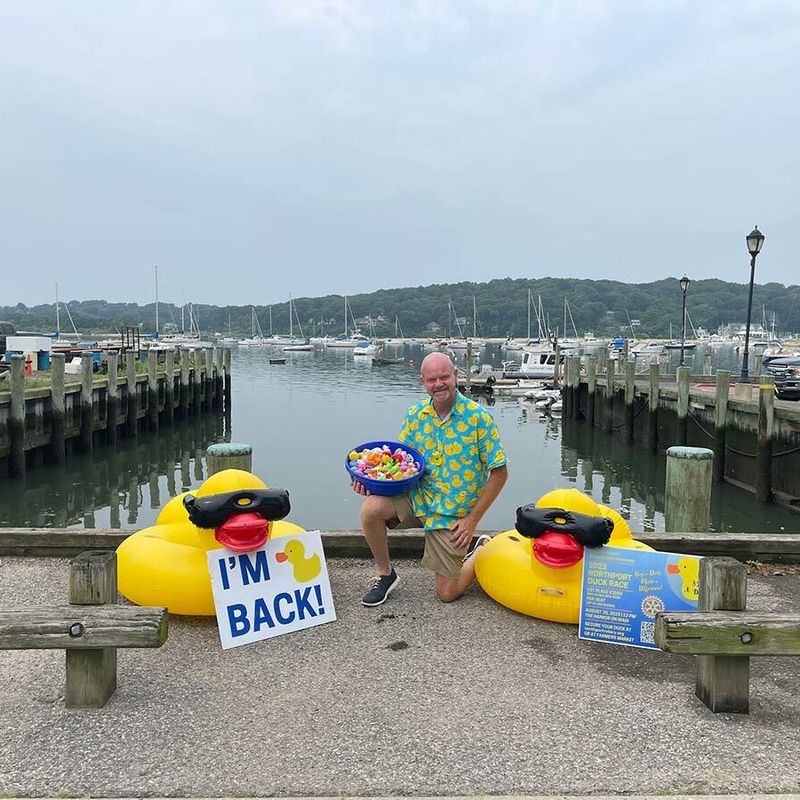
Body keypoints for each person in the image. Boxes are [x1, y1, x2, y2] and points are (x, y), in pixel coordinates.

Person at [352, 351, 508, 606]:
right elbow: (401, 466)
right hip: (418, 499)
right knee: (371, 508)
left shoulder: (479, 418)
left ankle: (480, 551)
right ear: (422, 381)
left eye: (444, 377)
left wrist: (471, 520)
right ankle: (385, 573)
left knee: (447, 594)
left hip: (452, 513)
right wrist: (370, 483)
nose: (438, 384)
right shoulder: (415, 415)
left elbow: (500, 473)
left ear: (455, 376)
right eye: (431, 379)